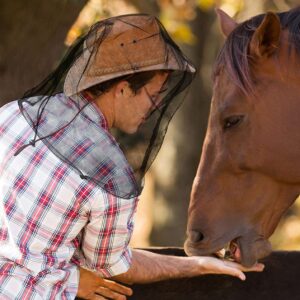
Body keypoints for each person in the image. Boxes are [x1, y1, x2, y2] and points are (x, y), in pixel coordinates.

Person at [0, 14, 264, 300]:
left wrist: (67, 275)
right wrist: (196, 265)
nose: (157, 105)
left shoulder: (14, 113)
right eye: (153, 94)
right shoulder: (108, 175)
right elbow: (114, 267)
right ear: (123, 88)